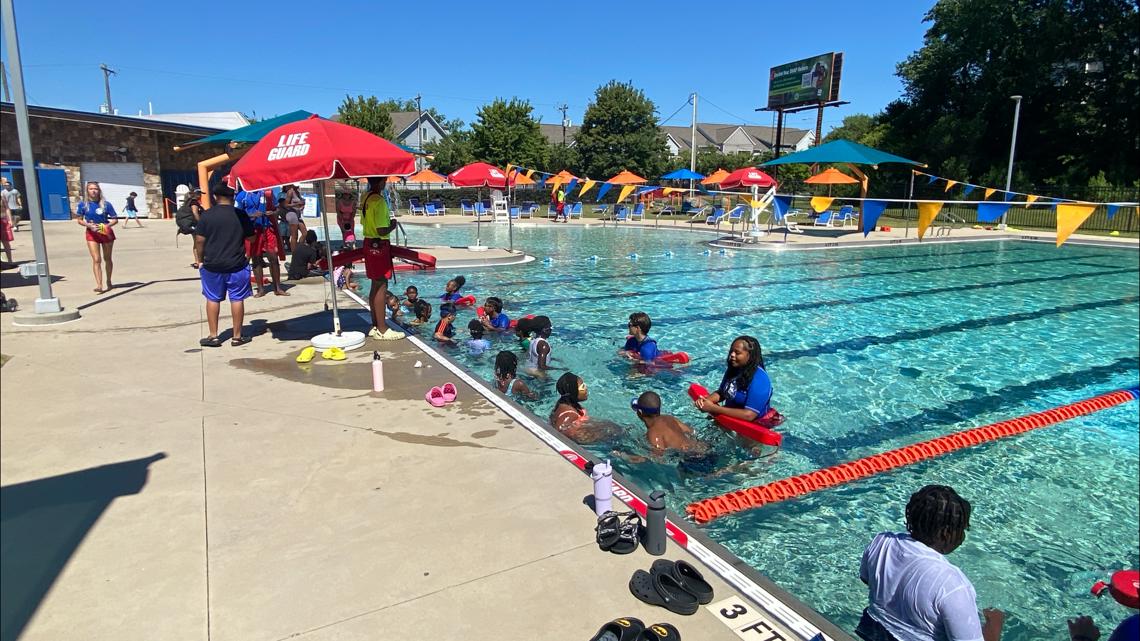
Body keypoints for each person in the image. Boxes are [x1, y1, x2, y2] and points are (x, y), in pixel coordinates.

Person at [856, 485, 1004, 641]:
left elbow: (866, 579)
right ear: (946, 533)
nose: (962, 538)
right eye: (962, 530)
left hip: (869, 631)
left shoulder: (883, 542)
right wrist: (995, 622)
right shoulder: (952, 584)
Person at [193, 182, 255, 347]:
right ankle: (237, 336)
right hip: (237, 264)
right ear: (233, 197)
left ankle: (213, 336)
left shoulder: (207, 215)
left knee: (212, 298)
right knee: (237, 299)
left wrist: (200, 260)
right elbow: (252, 238)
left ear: (215, 197)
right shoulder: (241, 215)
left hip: (212, 265)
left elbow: (199, 240)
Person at [693, 335, 777, 425]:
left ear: (750, 356)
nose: (732, 355)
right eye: (731, 351)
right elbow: (722, 392)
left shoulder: (760, 379)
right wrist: (707, 401)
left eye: (737, 353)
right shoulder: (733, 369)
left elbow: (749, 415)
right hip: (731, 415)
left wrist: (713, 408)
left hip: (756, 424)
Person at [362, 177, 397, 339]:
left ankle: (375, 324)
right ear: (381, 182)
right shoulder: (380, 201)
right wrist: (393, 225)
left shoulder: (366, 198)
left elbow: (364, 223)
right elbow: (382, 230)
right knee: (382, 284)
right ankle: (383, 329)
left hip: (368, 243)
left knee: (375, 284)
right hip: (379, 245)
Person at [239, 189, 288, 297]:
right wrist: (251, 215)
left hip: (268, 229)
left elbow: (277, 209)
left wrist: (273, 213)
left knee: (274, 258)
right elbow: (238, 213)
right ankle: (261, 289)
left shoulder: (267, 193)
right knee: (256, 258)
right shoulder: (243, 195)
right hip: (253, 230)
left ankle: (277, 287)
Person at [631, 391, 708, 456]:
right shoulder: (669, 418)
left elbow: (658, 458)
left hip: (691, 458)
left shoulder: (652, 433)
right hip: (702, 448)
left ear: (639, 413)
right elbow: (691, 431)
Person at [75, 181, 118, 293]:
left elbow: (115, 219)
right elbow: (79, 220)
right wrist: (88, 225)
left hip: (105, 232)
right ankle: (99, 285)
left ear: (99, 191)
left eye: (96, 189)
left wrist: (106, 226)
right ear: (87, 191)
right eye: (91, 189)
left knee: (107, 258)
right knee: (96, 259)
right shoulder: (83, 205)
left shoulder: (106, 204)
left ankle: (108, 281)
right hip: (92, 233)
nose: (93, 191)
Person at [176, 189, 205, 267]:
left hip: (191, 224)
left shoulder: (188, 201)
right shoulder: (194, 202)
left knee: (196, 243)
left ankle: (197, 261)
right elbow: (195, 213)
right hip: (195, 225)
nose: (200, 195)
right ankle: (199, 261)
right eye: (199, 194)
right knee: (199, 242)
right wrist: (201, 223)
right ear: (195, 194)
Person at [283, 184, 307, 251]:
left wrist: (302, 206)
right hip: (291, 214)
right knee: (294, 236)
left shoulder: (297, 192)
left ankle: (298, 249)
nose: (298, 186)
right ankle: (294, 254)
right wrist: (297, 204)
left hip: (297, 214)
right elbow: (285, 205)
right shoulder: (290, 192)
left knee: (305, 233)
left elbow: (299, 203)